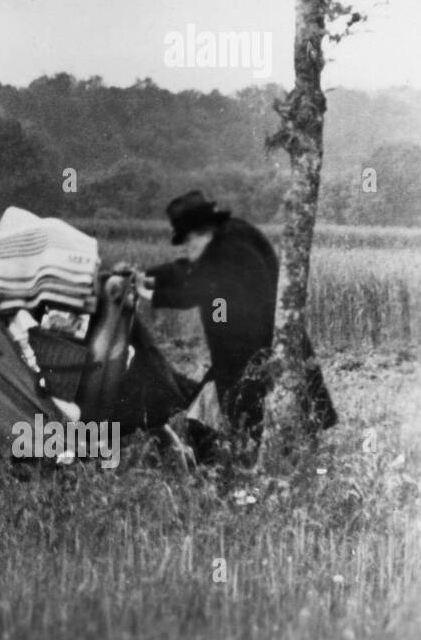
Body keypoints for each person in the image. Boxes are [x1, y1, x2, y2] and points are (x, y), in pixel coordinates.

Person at [144, 190, 336, 458]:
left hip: (259, 355)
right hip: (246, 355)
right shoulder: (229, 236)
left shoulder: (232, 252)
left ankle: (230, 475)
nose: (186, 249)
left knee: (260, 428)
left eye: (187, 241)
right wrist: (144, 277)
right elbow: (187, 270)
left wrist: (146, 291)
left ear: (201, 233)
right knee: (214, 419)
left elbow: (196, 289)